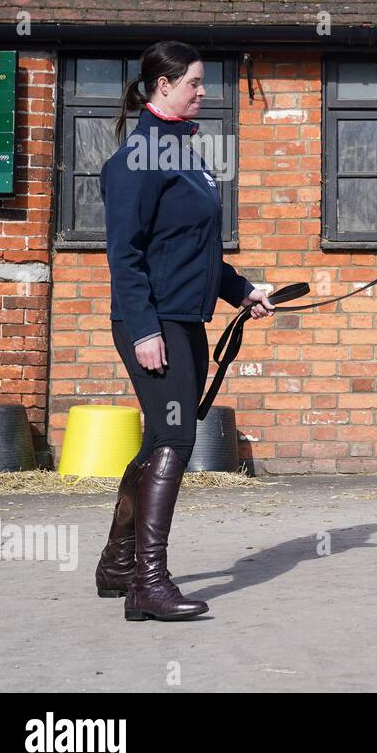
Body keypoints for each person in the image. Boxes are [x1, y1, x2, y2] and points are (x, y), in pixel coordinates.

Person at [95, 40, 274, 621]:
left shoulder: (187, 157)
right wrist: (145, 329)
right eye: (194, 82)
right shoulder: (135, 160)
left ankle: (119, 564)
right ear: (163, 85)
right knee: (175, 439)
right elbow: (124, 255)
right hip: (154, 323)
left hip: (187, 318)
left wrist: (242, 290)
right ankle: (149, 584)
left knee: (157, 441)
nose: (203, 91)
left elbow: (198, 251)